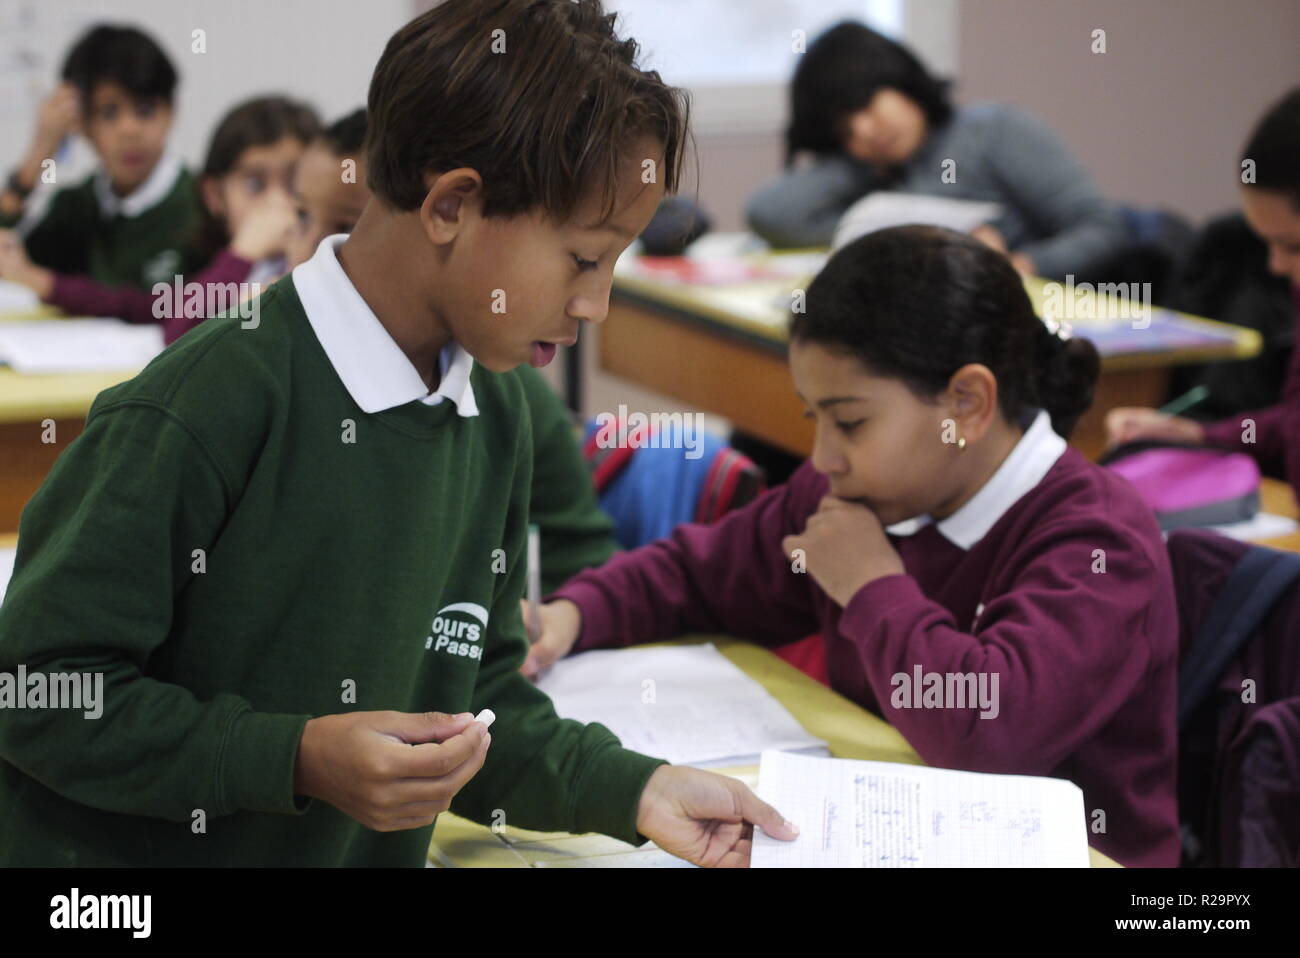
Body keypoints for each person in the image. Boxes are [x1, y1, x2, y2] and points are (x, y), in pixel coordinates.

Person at [0, 0, 794, 868]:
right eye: (582, 259)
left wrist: (635, 789)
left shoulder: (491, 411)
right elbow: (36, 694)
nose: (595, 306)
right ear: (452, 205)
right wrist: (293, 758)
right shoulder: (203, 408)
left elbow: (477, 701)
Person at [529, 226, 1181, 868]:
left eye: (851, 423)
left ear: (968, 403)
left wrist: (873, 587)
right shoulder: (856, 493)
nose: (823, 458)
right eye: (817, 420)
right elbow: (699, 572)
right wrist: (572, 614)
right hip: (877, 831)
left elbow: (992, 736)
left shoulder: (1098, 540)